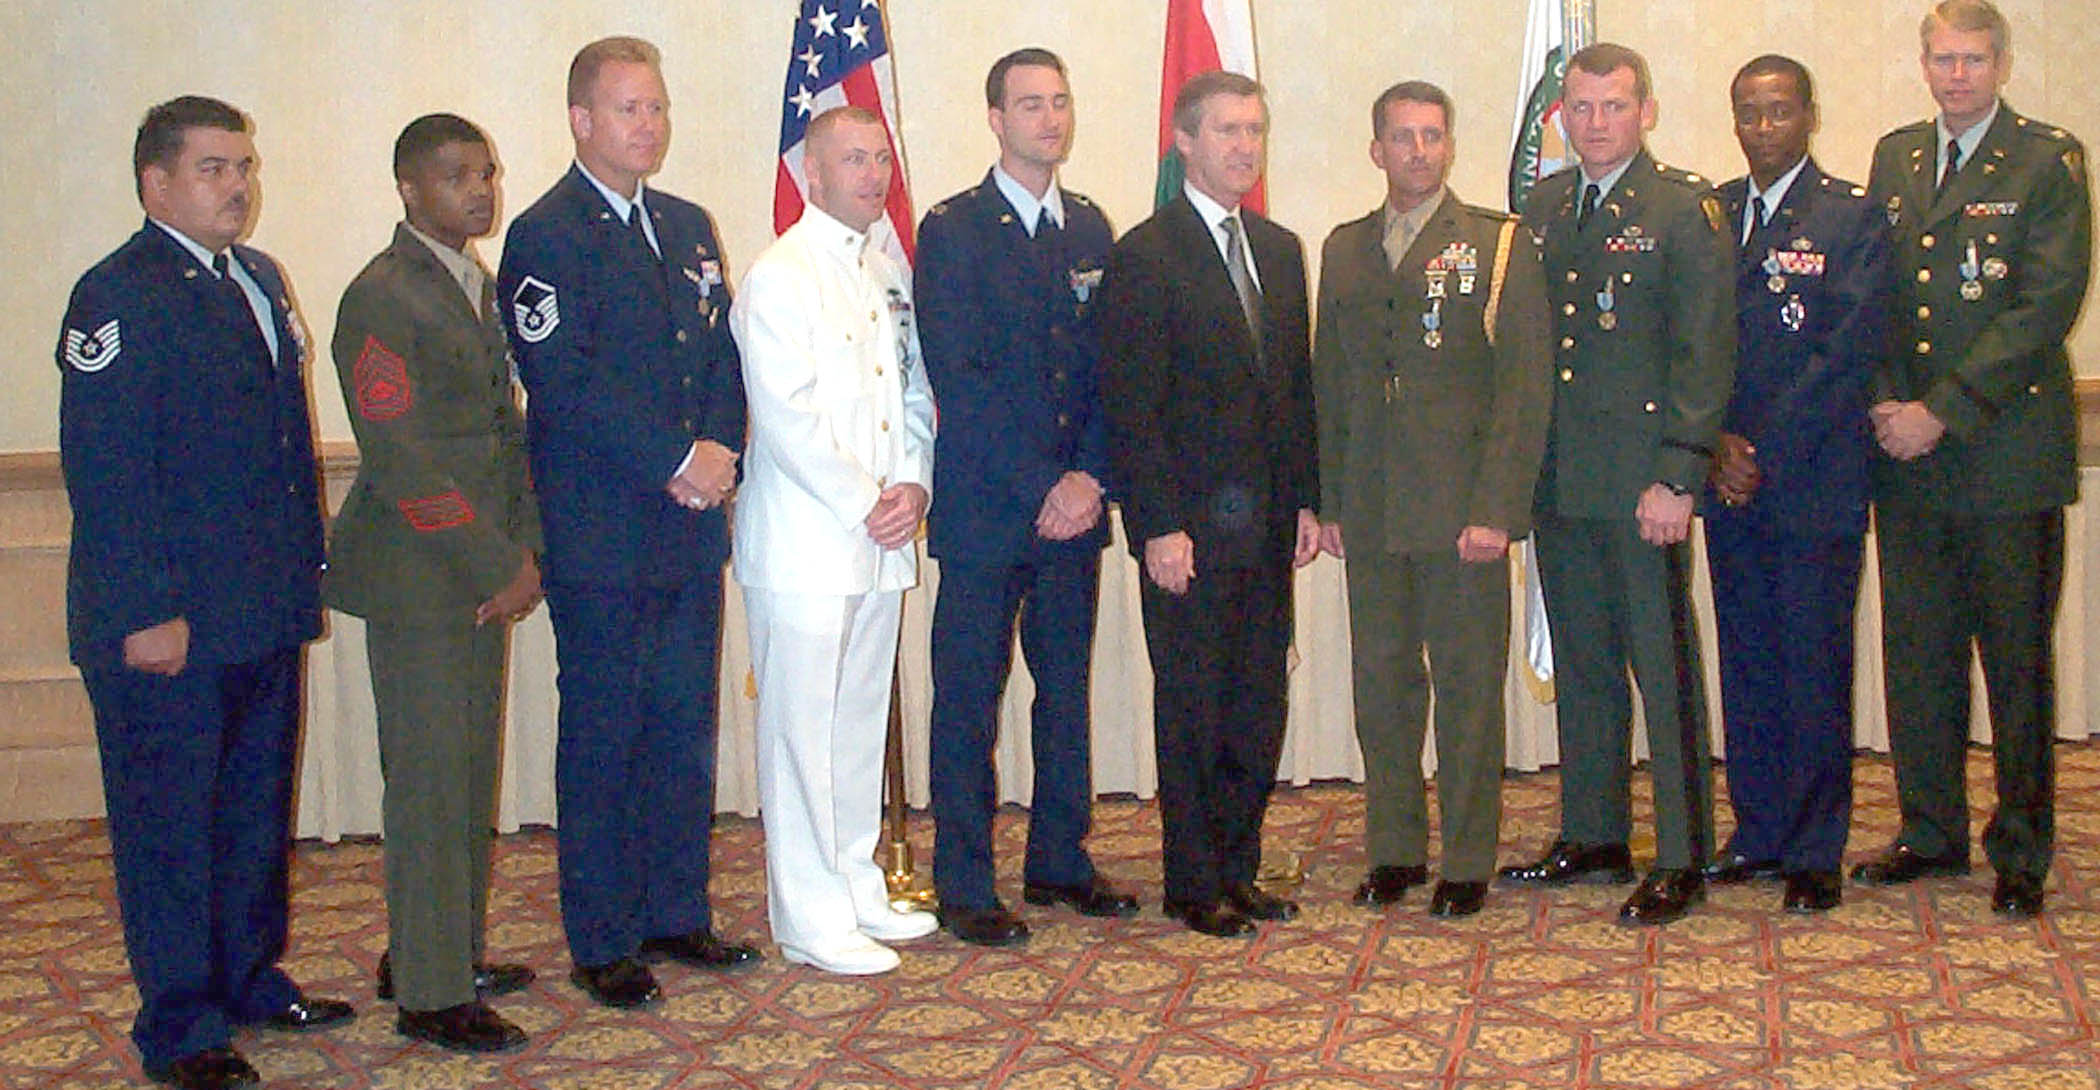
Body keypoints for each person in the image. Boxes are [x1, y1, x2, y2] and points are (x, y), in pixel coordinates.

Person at [57, 95, 352, 1090]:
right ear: (158, 183)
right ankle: (180, 1023)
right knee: (170, 826)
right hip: (167, 623)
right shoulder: (117, 294)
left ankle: (247, 976)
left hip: (256, 608)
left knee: (251, 812)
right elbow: (106, 469)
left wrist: (303, 575)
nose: (239, 185)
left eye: (244, 166)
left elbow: (279, 449)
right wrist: (144, 611)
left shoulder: (259, 279)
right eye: (216, 168)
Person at [497, 36, 757, 1009]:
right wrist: (676, 459)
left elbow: (722, 357)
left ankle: (675, 912)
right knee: (605, 732)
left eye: (656, 107)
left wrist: (722, 452)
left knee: (684, 728)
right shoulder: (545, 234)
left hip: (690, 528)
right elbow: (563, 387)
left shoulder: (688, 224)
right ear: (580, 121)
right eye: (628, 109)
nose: (649, 125)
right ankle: (603, 935)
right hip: (603, 533)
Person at [1854, 0, 2090, 920]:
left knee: (2017, 663)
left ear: (2002, 63)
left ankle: (2021, 850)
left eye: (1974, 59)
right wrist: (1884, 403)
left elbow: (2044, 305)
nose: (1957, 75)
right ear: (1923, 63)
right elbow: (1872, 290)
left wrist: (1939, 412)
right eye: (1943, 58)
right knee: (1919, 656)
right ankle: (1930, 832)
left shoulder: (2046, 159)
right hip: (1907, 458)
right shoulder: (1896, 156)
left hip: (2003, 454)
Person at [1496, 43, 1736, 927]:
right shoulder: (1548, 205)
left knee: (1661, 671)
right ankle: (1594, 833)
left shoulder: (1683, 209)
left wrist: (1678, 473)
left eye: (1615, 107)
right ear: (1562, 113)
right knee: (1589, 665)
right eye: (1583, 108)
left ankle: (1681, 854)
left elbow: (1703, 353)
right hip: (1563, 481)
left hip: (1643, 486)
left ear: (1646, 112)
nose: (1597, 124)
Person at [1312, 80, 1551, 920]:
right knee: (1381, 691)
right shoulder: (1343, 248)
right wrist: (1329, 499)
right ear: (1376, 150)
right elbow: (1330, 384)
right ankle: (1394, 849)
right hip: (1373, 513)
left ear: (1451, 147)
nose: (1418, 151)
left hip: (1461, 517)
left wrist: (1498, 510)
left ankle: (1467, 858)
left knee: (1467, 691)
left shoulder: (1496, 244)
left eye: (1433, 136)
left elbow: (1522, 393)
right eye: (1402, 138)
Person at [327, 113, 540, 1051]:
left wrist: (519, 552)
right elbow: (402, 457)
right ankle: (430, 994)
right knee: (428, 784)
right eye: (457, 176)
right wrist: (496, 562)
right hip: (423, 579)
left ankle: (437, 949)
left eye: (485, 173)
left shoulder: (470, 285)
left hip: (477, 573)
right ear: (409, 188)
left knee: (465, 775)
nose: (479, 190)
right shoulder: (384, 295)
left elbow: (501, 435)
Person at [917, 47, 1138, 947]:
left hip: (1074, 513)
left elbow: (1107, 374)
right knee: (968, 698)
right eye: (1030, 105)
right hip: (985, 511)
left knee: (1066, 692)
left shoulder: (1090, 228)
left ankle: (1059, 860)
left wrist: (1088, 479)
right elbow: (958, 379)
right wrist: (1044, 483)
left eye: (1059, 101)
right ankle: (964, 884)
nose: (1050, 118)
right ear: (996, 121)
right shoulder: (953, 228)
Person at [1096, 70, 1321, 939]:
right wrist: (1156, 525)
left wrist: (1306, 499)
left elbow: (1293, 392)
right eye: (1227, 130)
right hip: (1186, 532)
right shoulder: (1146, 254)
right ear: (1184, 142)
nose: (1244, 146)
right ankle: (1194, 882)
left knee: (1258, 705)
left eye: (1255, 130)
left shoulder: (1278, 247)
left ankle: (1241, 867)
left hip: (1266, 526)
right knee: (1193, 708)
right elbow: (1133, 407)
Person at [731, 105, 940, 975]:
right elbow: (788, 416)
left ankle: (856, 883)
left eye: (881, 158)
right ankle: (808, 914)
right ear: (810, 174)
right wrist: (870, 500)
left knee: (857, 725)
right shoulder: (780, 275)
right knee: (801, 736)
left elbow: (916, 396)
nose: (872, 173)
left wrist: (915, 483)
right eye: (852, 160)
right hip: (809, 546)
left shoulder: (884, 267)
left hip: (879, 538)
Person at [1704, 56, 1889, 915]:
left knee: (1814, 662)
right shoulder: (1713, 214)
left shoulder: (1851, 215)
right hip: (1725, 476)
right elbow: (1693, 347)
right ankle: (1760, 830)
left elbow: (1845, 352)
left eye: (1780, 111)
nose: (1764, 126)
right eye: (1750, 112)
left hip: (1811, 480)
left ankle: (1816, 846)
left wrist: (1760, 449)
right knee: (1745, 659)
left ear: (1810, 116)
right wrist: (1714, 445)